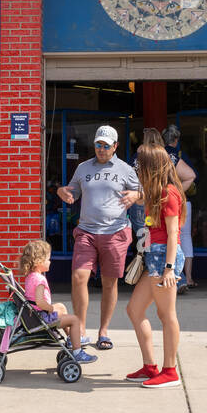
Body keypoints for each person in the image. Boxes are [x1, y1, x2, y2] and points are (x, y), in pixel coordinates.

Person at [56, 124, 139, 350]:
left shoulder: (126, 169)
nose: (101, 149)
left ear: (115, 146)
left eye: (106, 145)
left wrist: (136, 194)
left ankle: (103, 331)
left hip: (116, 233)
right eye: (98, 145)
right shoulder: (83, 168)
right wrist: (61, 191)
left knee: (109, 283)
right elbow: (71, 190)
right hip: (87, 232)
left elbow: (143, 196)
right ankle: (80, 329)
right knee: (79, 277)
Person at [124, 141, 185, 388]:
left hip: (163, 259)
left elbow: (173, 234)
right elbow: (143, 199)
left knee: (166, 315)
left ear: (152, 167)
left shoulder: (167, 193)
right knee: (134, 310)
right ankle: (150, 367)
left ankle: (170, 371)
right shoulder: (157, 190)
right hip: (155, 257)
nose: (137, 168)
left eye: (140, 164)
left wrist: (169, 268)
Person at [19, 239, 96, 363]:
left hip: (35, 315)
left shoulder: (30, 276)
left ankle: (72, 338)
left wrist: (53, 308)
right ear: (39, 261)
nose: (50, 262)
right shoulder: (40, 280)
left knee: (61, 306)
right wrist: (50, 308)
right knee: (75, 320)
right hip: (42, 317)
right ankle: (78, 353)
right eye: (48, 259)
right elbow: (39, 301)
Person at [161, 125, 199, 291]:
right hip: (184, 202)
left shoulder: (159, 156)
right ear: (176, 140)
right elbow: (192, 176)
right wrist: (177, 193)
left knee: (167, 236)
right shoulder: (179, 156)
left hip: (162, 201)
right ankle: (188, 277)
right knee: (185, 237)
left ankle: (172, 274)